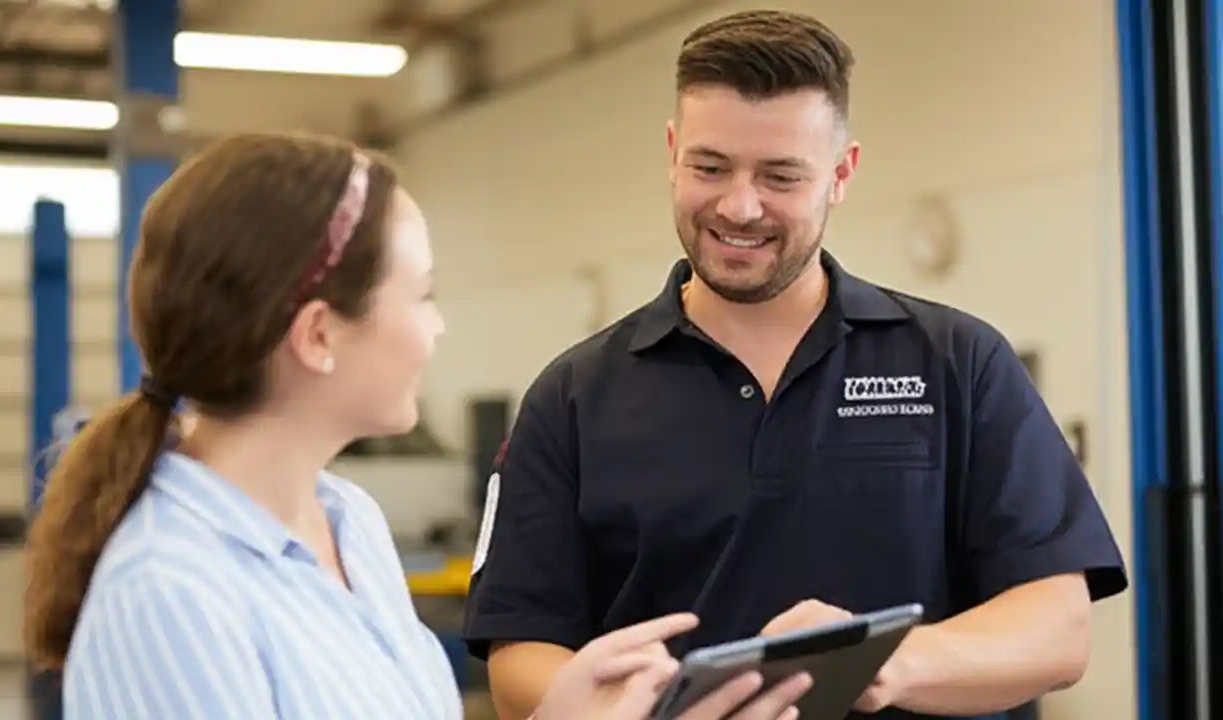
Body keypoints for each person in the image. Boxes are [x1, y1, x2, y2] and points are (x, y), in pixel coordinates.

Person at [463, 9, 1129, 720]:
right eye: (709, 167)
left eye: (780, 175)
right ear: (671, 152)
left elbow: (1058, 630)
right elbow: (519, 652)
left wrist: (881, 662)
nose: (739, 206)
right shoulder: (573, 396)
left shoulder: (958, 364)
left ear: (842, 173)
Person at [21, 133, 815, 719]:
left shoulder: (349, 525)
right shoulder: (169, 596)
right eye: (422, 295)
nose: (436, 330)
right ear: (320, 335)